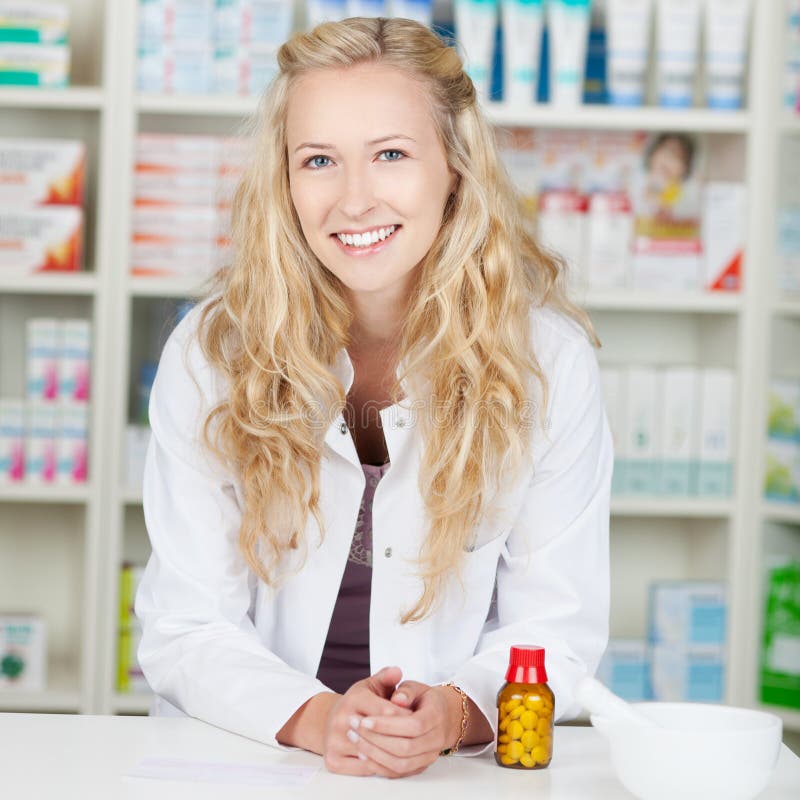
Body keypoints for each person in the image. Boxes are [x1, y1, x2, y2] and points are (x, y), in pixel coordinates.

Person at [135, 16, 612, 780]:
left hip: (452, 773)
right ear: (284, 181)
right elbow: (185, 625)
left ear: (455, 166)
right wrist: (326, 719)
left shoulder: (546, 365)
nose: (354, 200)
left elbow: (558, 625)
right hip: (241, 759)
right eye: (319, 160)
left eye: (390, 154)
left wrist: (452, 715)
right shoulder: (213, 353)